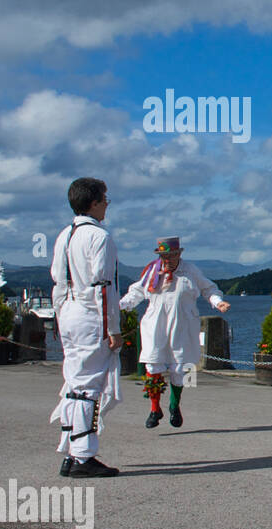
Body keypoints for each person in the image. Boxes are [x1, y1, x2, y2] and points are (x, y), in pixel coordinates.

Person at [49, 178, 121, 478]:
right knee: (88, 385)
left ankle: (70, 450)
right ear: (93, 203)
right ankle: (82, 456)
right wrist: (112, 327)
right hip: (91, 314)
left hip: (69, 309)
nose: (107, 203)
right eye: (104, 198)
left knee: (74, 381)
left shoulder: (64, 235)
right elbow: (103, 286)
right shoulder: (99, 237)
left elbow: (58, 281)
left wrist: (59, 315)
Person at [120, 237, 229, 428]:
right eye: (163, 256)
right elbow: (136, 292)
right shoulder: (152, 272)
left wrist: (217, 301)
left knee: (180, 369)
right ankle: (154, 409)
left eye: (170, 256)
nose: (167, 260)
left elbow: (208, 288)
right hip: (155, 326)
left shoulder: (190, 272)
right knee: (153, 366)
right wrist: (121, 305)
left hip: (182, 327)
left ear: (179, 254)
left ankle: (173, 405)